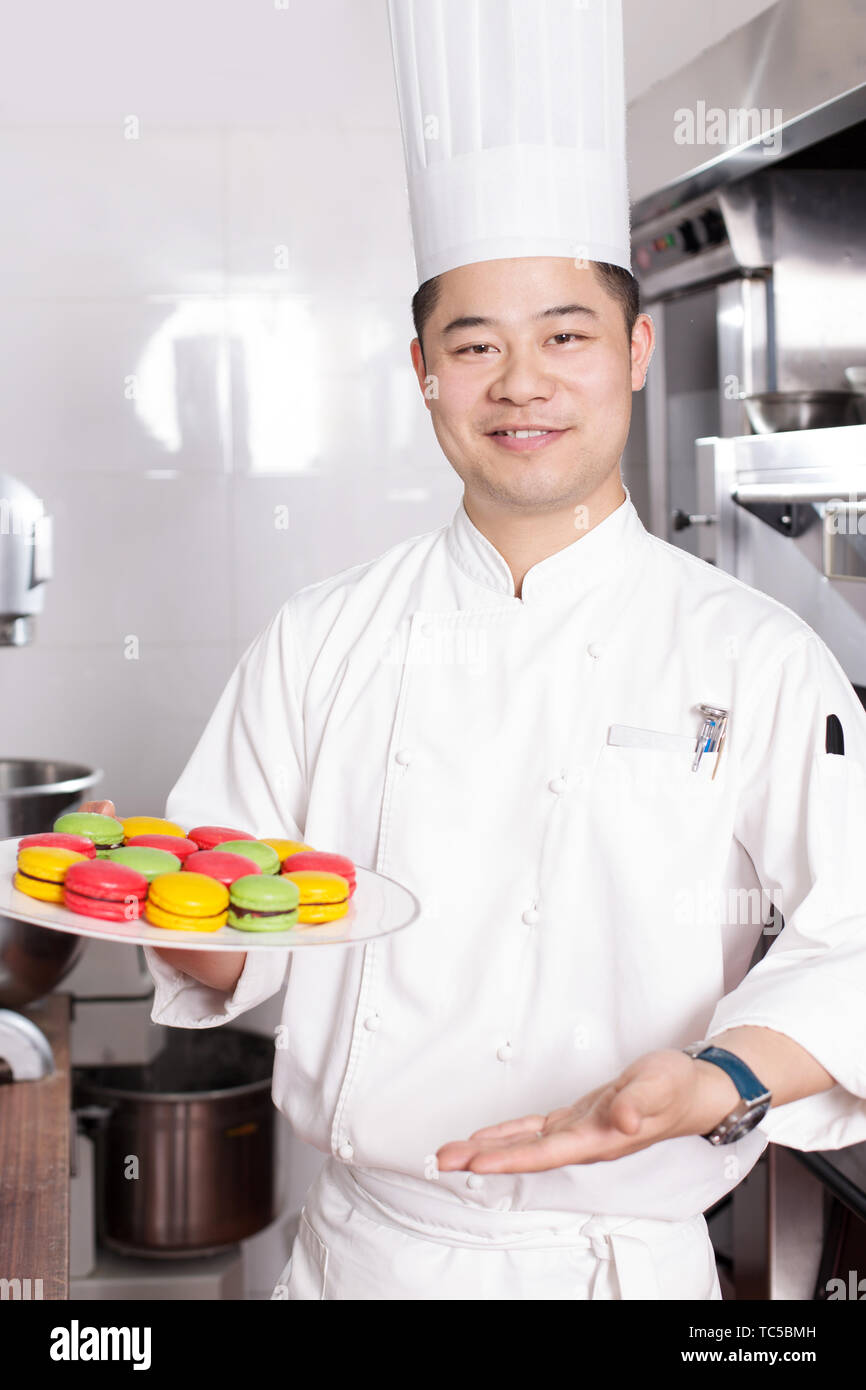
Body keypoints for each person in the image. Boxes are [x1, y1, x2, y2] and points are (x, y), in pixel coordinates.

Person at [82, 1, 866, 1298]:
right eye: (474, 345)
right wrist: (133, 888)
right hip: (361, 1259)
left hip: (619, 1267)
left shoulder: (755, 655)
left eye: (564, 335)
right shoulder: (321, 638)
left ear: (633, 349)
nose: (521, 383)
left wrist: (717, 1076)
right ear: (422, 372)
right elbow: (230, 942)